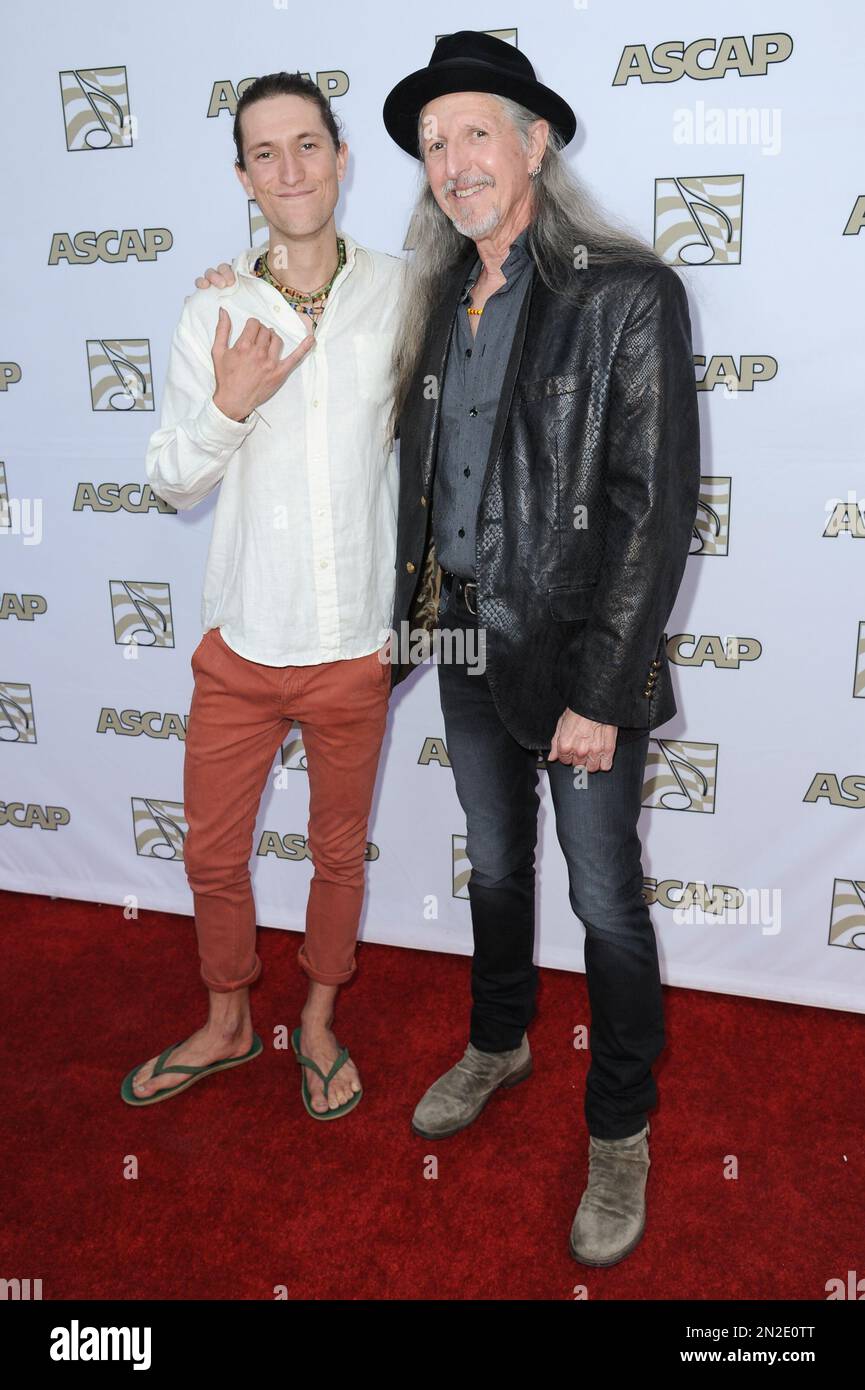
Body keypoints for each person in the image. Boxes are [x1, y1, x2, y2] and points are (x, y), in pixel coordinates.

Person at [382, 30, 701, 1264]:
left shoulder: (624, 293)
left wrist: (602, 691)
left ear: (534, 142)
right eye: (430, 144)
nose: (451, 161)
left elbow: (647, 507)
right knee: (498, 870)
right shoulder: (434, 298)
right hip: (462, 632)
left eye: (472, 132)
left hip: (576, 658)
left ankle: (619, 1128)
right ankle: (499, 1040)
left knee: (605, 897)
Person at [121, 71, 401, 1118]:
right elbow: (169, 478)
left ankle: (319, 1020)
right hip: (241, 642)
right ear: (242, 176)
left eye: (308, 145)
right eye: (265, 153)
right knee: (209, 852)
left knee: (337, 851)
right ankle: (229, 1018)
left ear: (339, 156)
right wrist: (228, 408)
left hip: (351, 645)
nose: (290, 169)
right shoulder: (211, 309)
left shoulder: (403, 290)